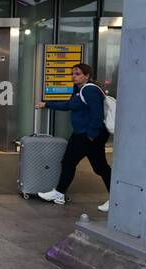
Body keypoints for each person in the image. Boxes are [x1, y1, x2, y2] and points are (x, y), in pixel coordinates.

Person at [33, 62, 111, 211]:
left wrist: (91, 136)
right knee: (73, 163)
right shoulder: (78, 89)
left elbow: (97, 114)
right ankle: (59, 193)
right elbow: (69, 105)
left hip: (89, 135)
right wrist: (47, 104)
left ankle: (117, 200)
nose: (73, 77)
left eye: (78, 74)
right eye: (73, 74)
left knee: (99, 167)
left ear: (87, 76)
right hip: (82, 134)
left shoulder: (90, 91)